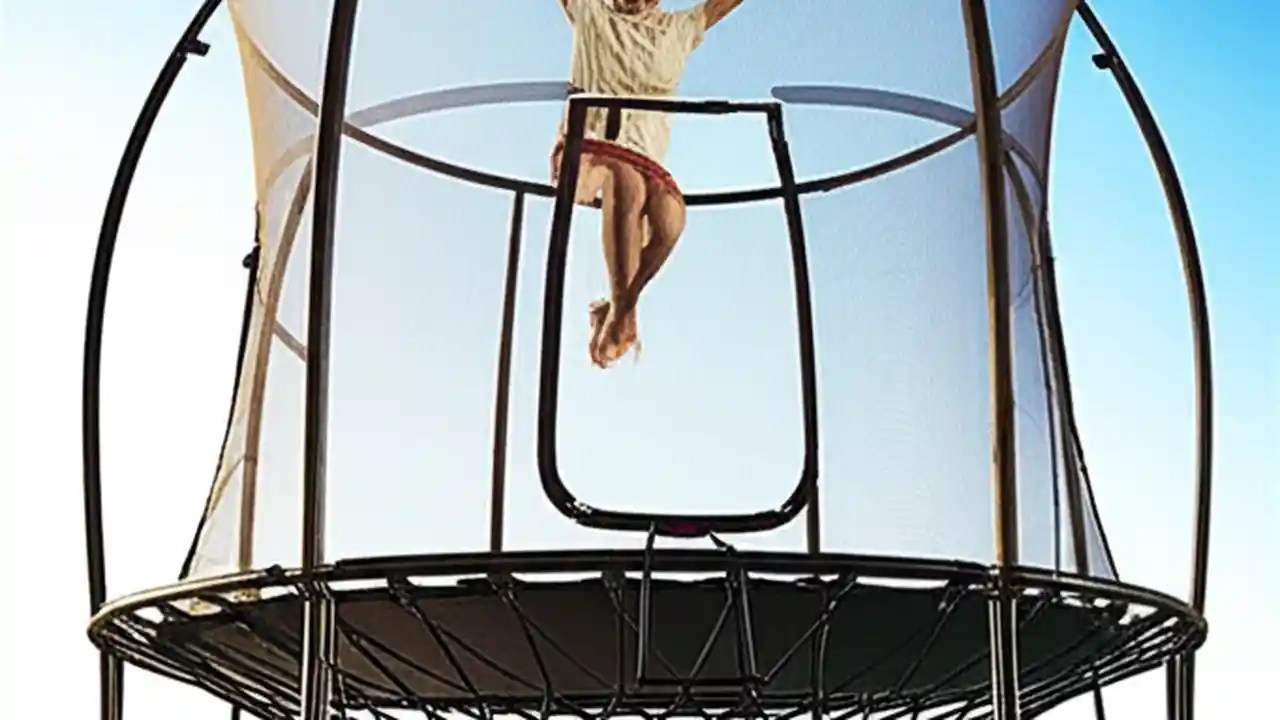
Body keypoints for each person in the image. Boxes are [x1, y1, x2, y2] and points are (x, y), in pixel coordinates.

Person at [553, 0, 746, 368]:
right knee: (624, 181)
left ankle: (618, 309)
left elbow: (720, 6)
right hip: (586, 147)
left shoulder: (677, 29)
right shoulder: (590, 10)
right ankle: (622, 317)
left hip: (646, 159)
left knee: (670, 215)